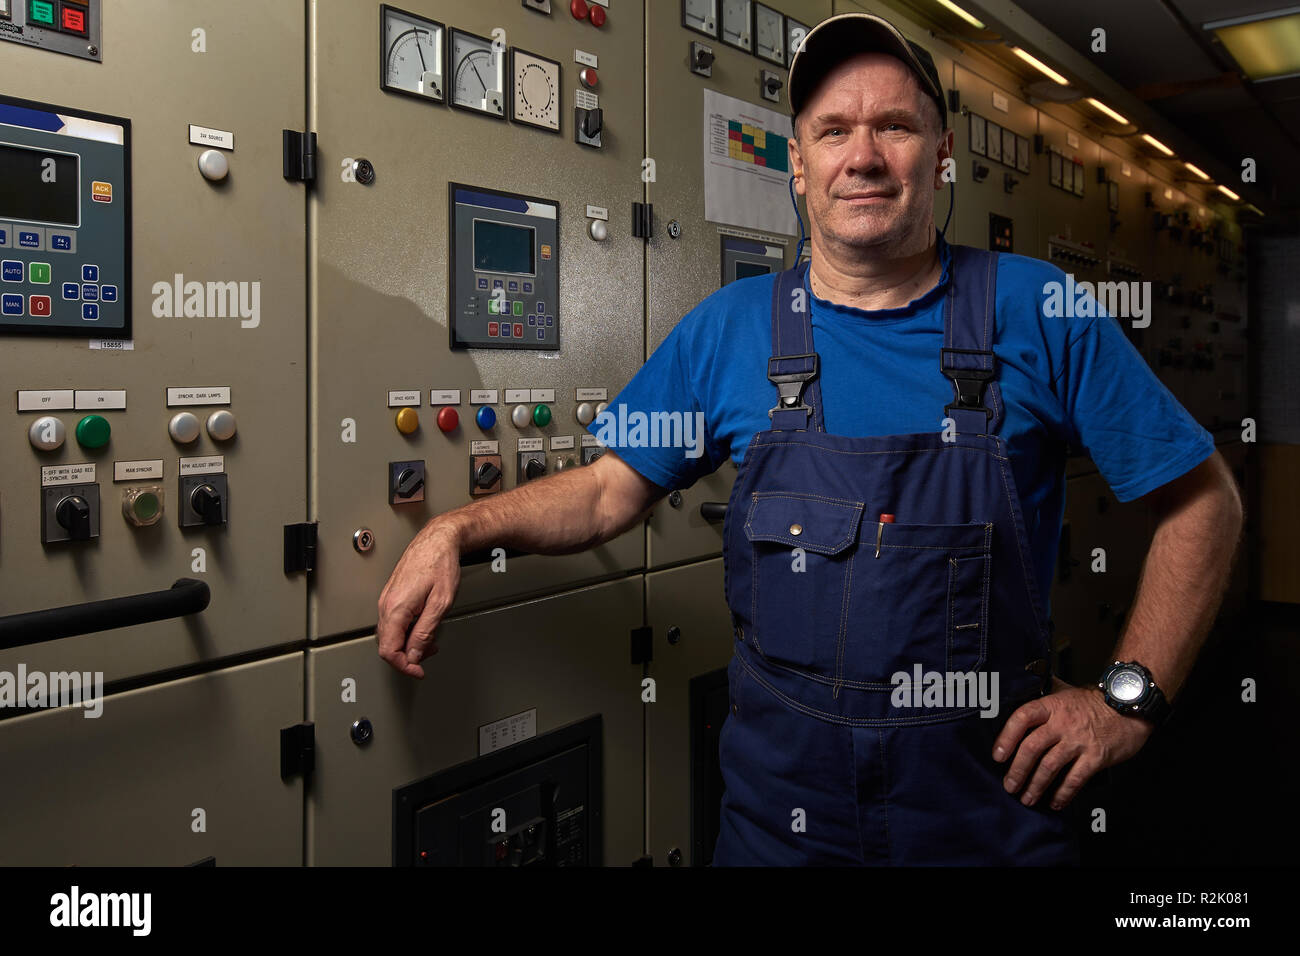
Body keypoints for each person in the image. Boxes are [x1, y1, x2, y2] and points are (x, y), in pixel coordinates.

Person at [377, 13, 1243, 865]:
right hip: (781, 826)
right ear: (798, 163)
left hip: (989, 823)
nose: (861, 155)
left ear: (942, 154)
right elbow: (608, 490)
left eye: (894, 126)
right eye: (833, 131)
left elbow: (1204, 501)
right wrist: (459, 528)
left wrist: (1126, 701)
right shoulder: (730, 329)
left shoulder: (1038, 309)